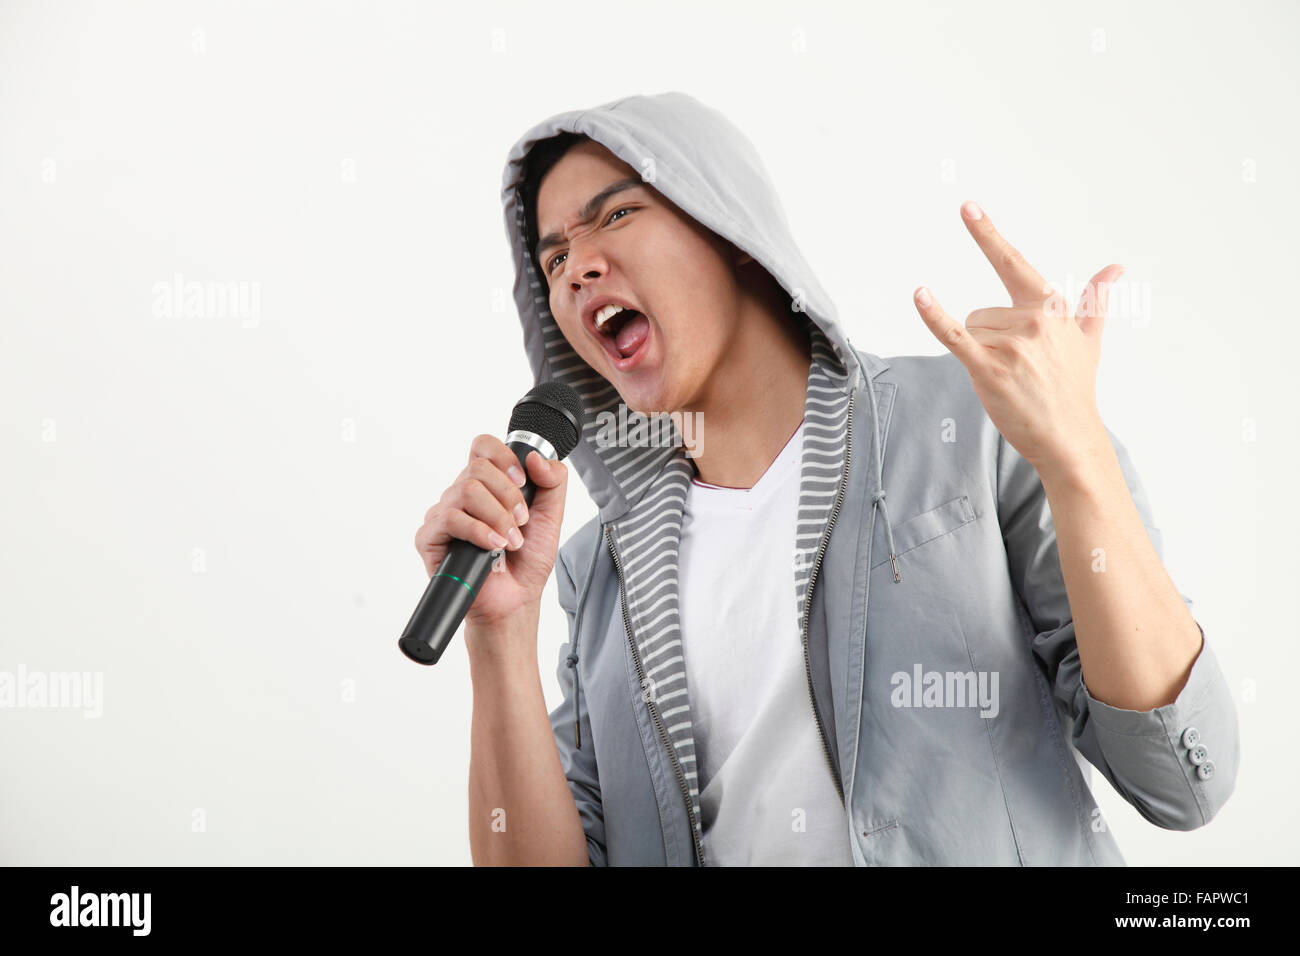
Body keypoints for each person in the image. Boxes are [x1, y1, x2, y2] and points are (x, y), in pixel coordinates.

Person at [414, 91, 1240, 866]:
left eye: (618, 215)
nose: (577, 270)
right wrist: (499, 637)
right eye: (553, 258)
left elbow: (1182, 782)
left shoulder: (976, 423)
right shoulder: (598, 569)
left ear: (728, 226)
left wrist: (1078, 459)